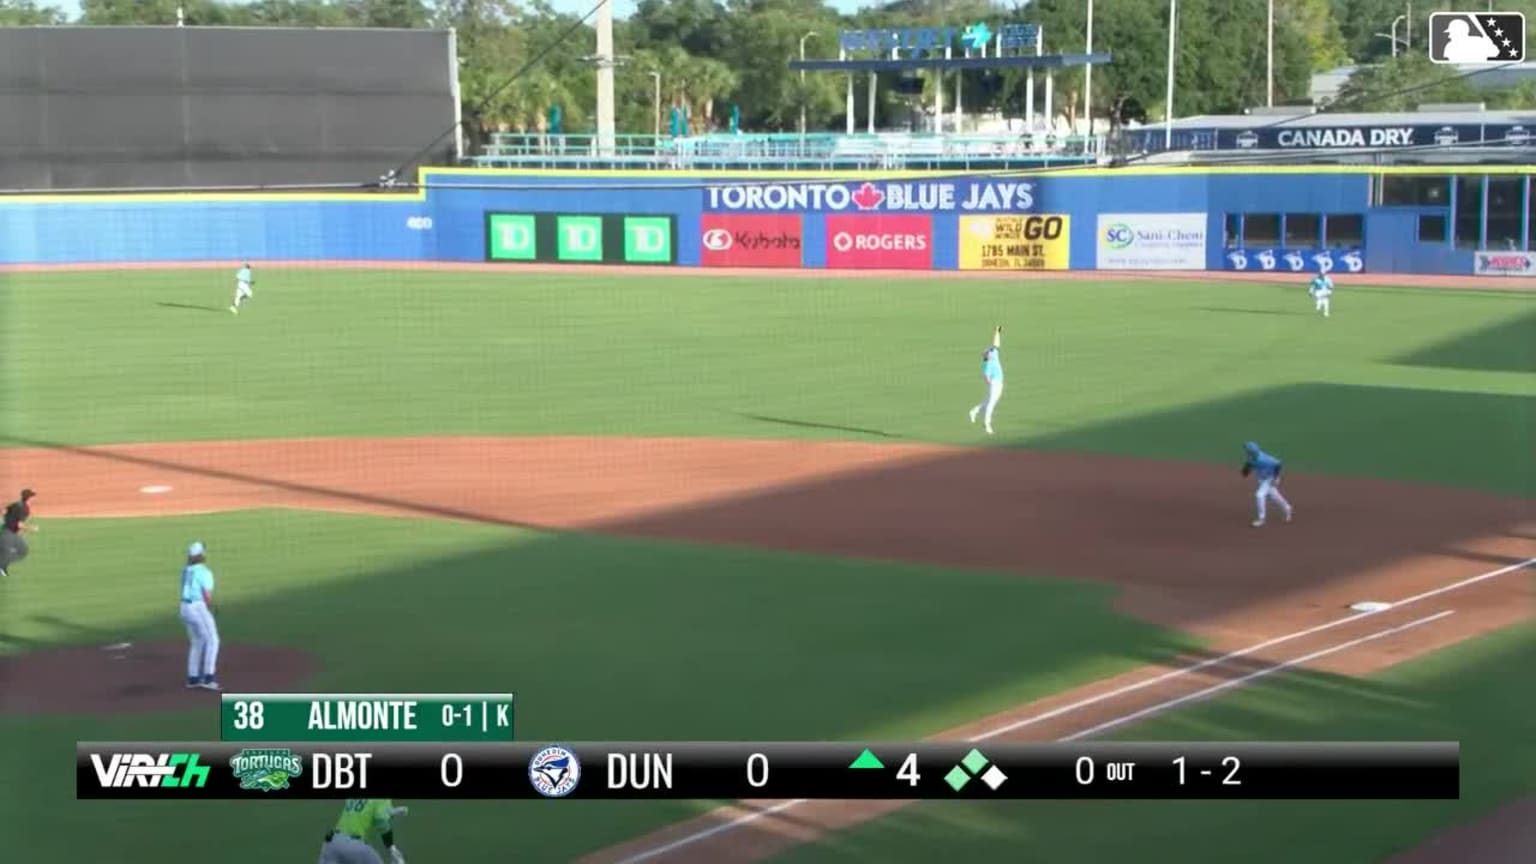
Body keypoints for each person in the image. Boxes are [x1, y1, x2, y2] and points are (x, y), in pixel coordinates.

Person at [179, 541, 221, 690]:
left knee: (197, 641)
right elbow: (206, 595)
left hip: (184, 608)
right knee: (213, 640)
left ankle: (193, 678)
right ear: (201, 555)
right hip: (197, 607)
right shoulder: (204, 572)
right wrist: (209, 607)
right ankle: (209, 678)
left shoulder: (185, 570)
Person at [318, 799, 409, 864]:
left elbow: (363, 810)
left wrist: (391, 812)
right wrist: (391, 847)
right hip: (354, 847)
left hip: (332, 842)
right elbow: (381, 820)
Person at [1242, 441, 1293, 528]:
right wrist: (1246, 469)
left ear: (1251, 451)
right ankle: (1287, 508)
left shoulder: (1264, 459)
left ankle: (1261, 519)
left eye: (1247, 450)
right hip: (1262, 479)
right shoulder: (1251, 457)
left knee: (1259, 495)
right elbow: (1246, 469)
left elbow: (1278, 464)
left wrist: (1276, 478)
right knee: (1274, 496)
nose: (1246, 451)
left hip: (1270, 479)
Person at [968, 325, 1005, 436]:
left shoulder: (994, 355)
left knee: (988, 402)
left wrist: (997, 332)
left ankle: (974, 411)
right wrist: (990, 383)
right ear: (986, 356)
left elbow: (996, 344)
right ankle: (987, 424)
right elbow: (986, 376)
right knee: (991, 404)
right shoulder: (987, 364)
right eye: (988, 353)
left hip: (999, 383)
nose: (990, 353)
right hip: (994, 384)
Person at [0, 488, 37, 578]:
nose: (34, 498)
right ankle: (2, 564)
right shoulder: (24, 509)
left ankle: (2, 564)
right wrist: (31, 529)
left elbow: (4, 511)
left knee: (19, 551)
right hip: (8, 533)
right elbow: (19, 525)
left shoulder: (16, 504)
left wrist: (8, 520)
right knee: (21, 552)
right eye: (32, 497)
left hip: (7, 531)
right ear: (29, 498)